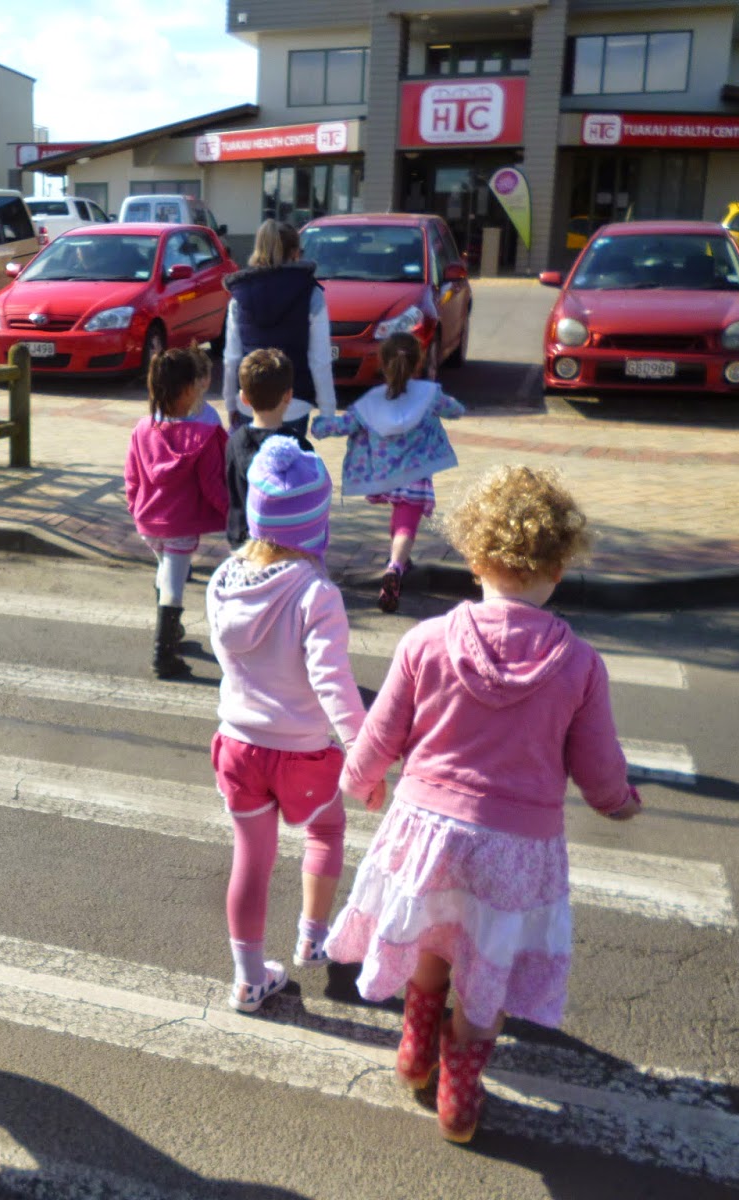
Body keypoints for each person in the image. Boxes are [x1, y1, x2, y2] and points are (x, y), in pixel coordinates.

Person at [324, 465, 642, 1143]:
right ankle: (459, 1099)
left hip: (429, 831)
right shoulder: (581, 665)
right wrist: (618, 801)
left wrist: (361, 780)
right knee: (485, 969)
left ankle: (415, 1054)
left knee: (435, 940)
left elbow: (383, 729)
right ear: (559, 567)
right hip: (514, 847)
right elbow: (597, 765)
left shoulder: (426, 641)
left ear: (474, 560)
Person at [207, 436, 368, 1013]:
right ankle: (313, 937)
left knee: (251, 857)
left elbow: (229, 658)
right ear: (315, 524)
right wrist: (363, 750)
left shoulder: (223, 579)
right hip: (302, 754)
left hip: (237, 746)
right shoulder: (316, 594)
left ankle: (249, 978)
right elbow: (333, 681)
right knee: (325, 831)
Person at [312, 332, 464, 614]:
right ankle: (395, 566)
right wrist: (453, 406)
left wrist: (319, 425)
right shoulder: (429, 395)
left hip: (386, 477)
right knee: (407, 524)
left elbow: (342, 425)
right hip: (416, 475)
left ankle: (401, 561)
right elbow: (456, 410)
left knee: (399, 518)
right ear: (417, 363)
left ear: (382, 363)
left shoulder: (369, 402)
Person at [124, 346, 229, 680]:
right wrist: (234, 515)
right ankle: (163, 653)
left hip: (147, 520)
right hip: (181, 524)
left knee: (164, 571)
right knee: (174, 583)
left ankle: (173, 632)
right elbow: (213, 485)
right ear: (188, 390)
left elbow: (132, 476)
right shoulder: (205, 435)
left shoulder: (143, 428)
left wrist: (135, 507)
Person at [221, 219, 337, 439]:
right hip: (294, 402)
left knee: (250, 471)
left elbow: (231, 358)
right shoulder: (311, 293)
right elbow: (320, 360)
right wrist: (328, 412)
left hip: (250, 401)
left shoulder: (240, 294)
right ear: (295, 252)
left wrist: (230, 404)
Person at [223, 347, 313, 548]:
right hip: (285, 541)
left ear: (243, 398)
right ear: (289, 395)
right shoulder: (299, 445)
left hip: (242, 539)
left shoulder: (234, 442)